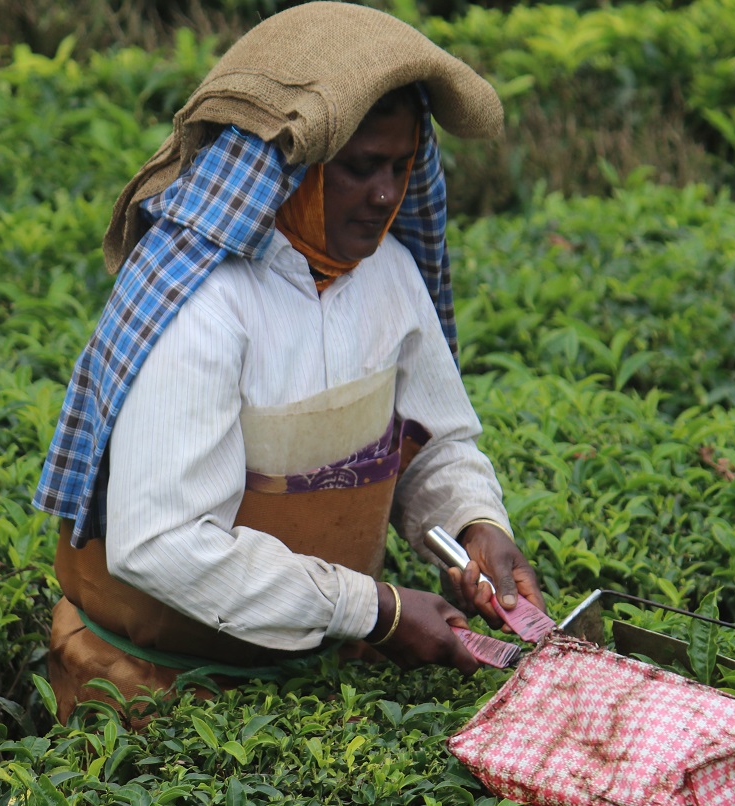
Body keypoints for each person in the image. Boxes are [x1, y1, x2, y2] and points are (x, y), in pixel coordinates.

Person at [33, 1, 544, 723]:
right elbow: (161, 544)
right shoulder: (203, 306)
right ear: (289, 170)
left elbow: (432, 443)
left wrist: (473, 526)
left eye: (402, 167)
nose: (385, 195)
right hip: (156, 684)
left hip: (324, 666)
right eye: (361, 168)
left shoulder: (390, 275)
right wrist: (376, 608)